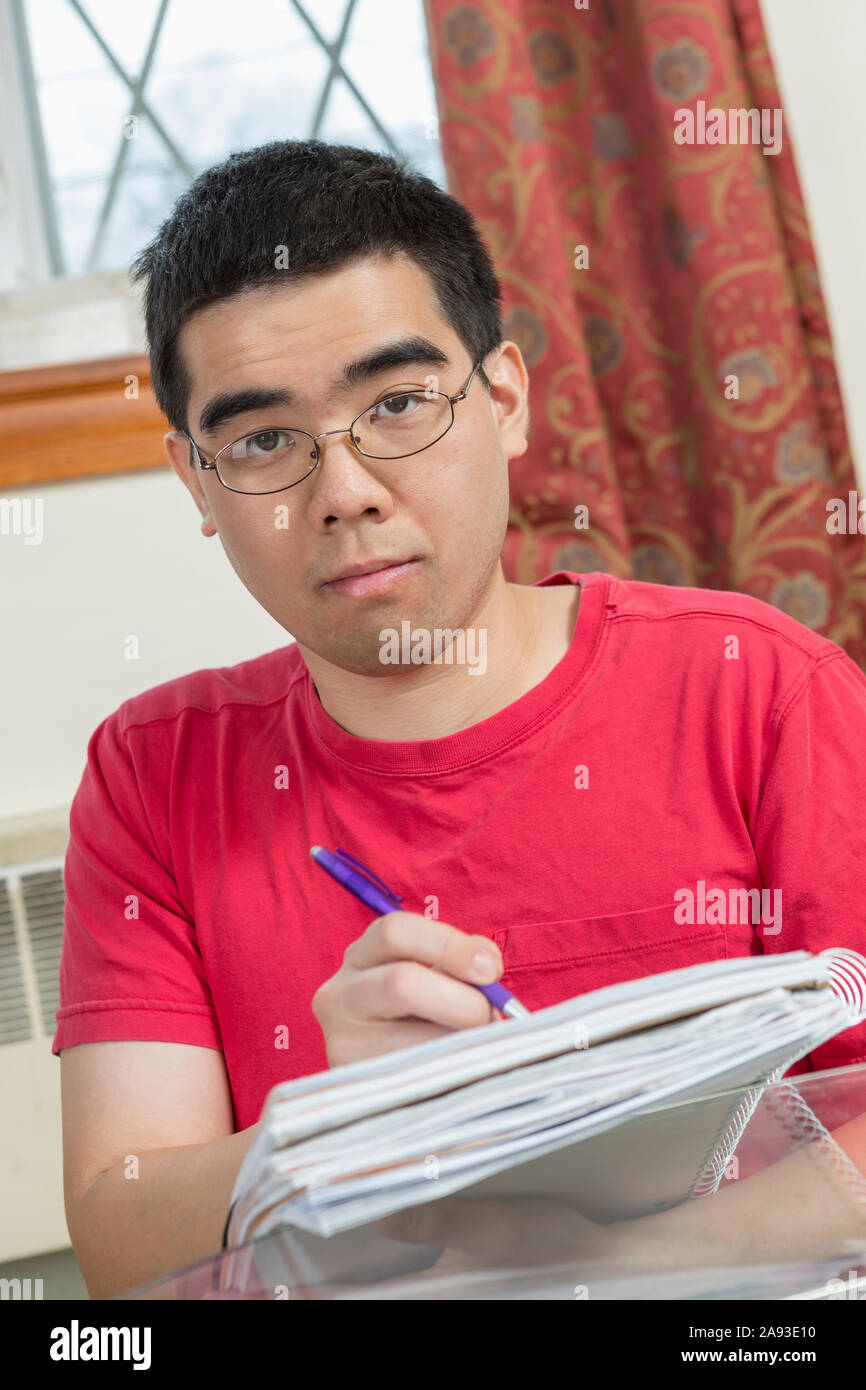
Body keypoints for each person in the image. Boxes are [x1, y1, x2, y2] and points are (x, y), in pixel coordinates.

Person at [54, 140, 866, 1299]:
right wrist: (340, 1129)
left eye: (396, 405)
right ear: (196, 481)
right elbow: (121, 1238)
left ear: (503, 401)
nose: (343, 491)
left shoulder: (757, 688)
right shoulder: (152, 773)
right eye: (263, 441)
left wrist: (604, 1267)